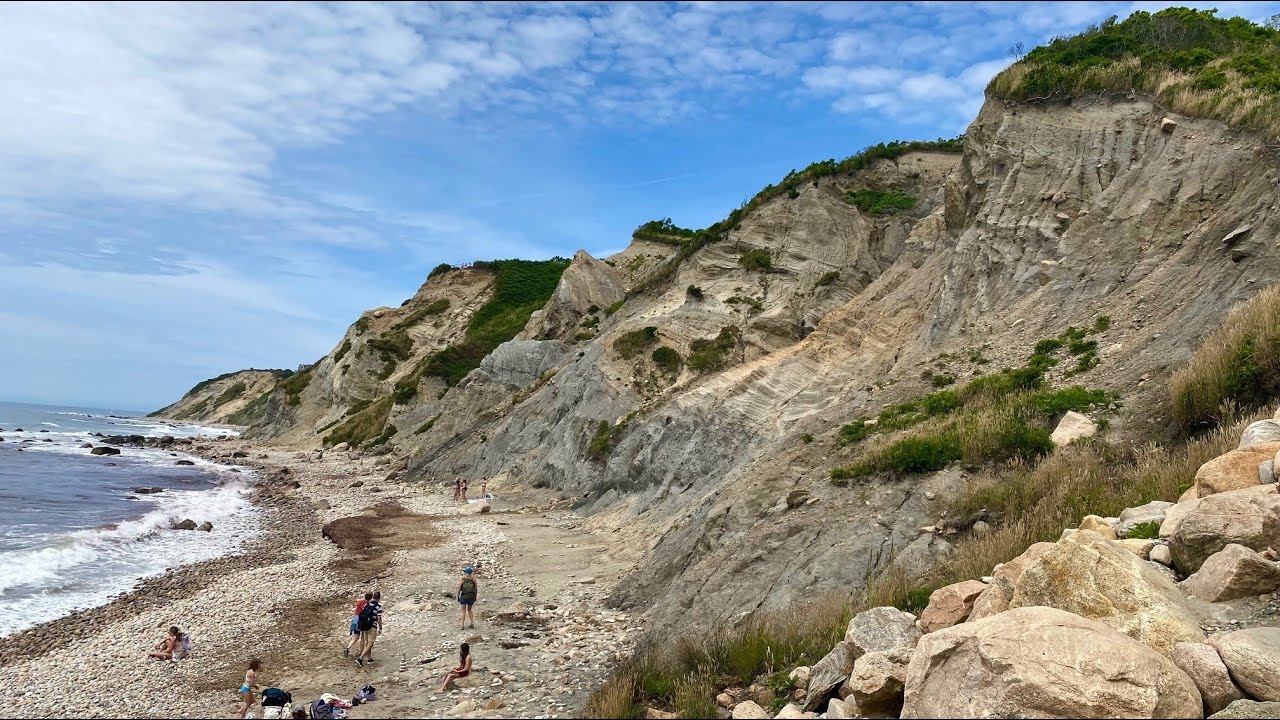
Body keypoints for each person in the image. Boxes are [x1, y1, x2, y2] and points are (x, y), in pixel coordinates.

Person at [357, 591, 383, 667]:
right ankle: (360, 658)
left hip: (364, 625)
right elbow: (379, 618)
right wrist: (380, 627)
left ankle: (369, 658)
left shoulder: (367, 604)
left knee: (367, 642)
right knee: (370, 643)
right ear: (379, 598)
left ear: (373, 597)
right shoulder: (378, 606)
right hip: (372, 626)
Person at [344, 592, 372, 658]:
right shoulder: (367, 604)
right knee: (362, 638)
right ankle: (361, 652)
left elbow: (355, 611)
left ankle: (348, 648)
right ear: (370, 598)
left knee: (355, 637)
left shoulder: (360, 602)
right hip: (361, 621)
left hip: (355, 619)